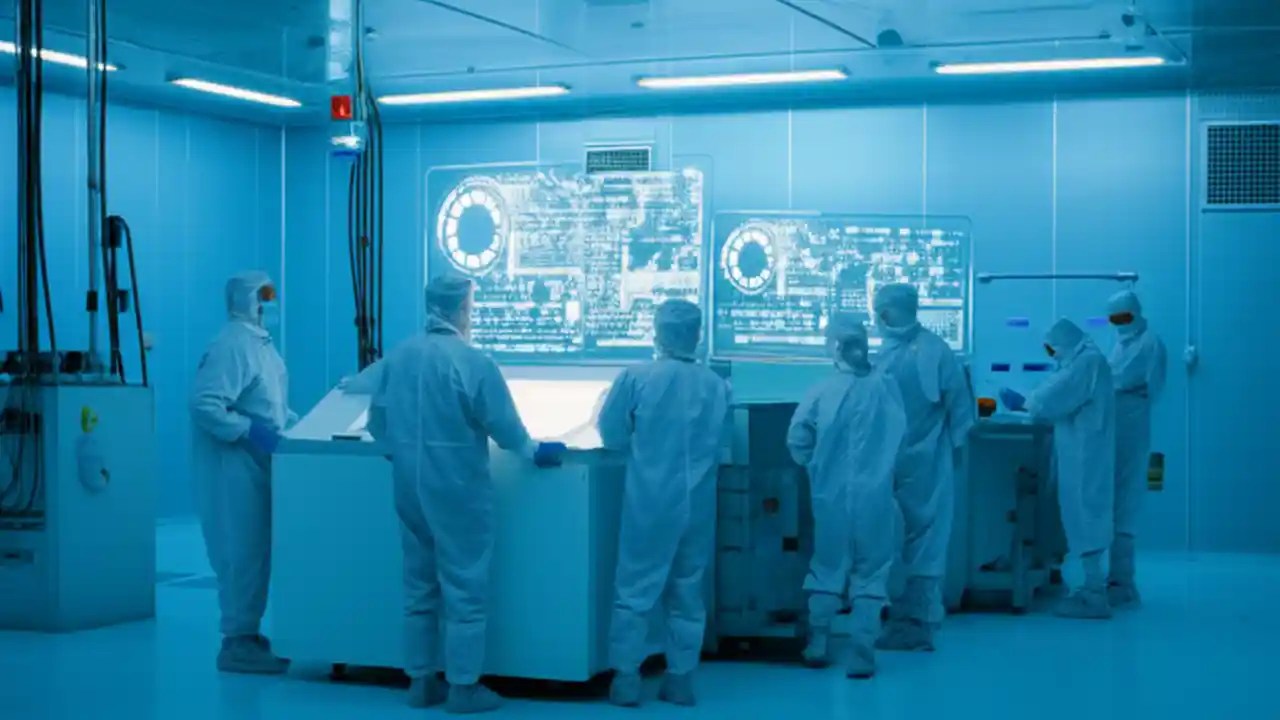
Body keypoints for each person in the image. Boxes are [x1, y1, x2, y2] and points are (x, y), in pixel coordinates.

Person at [369, 276, 565, 714]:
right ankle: (463, 686)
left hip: (409, 487)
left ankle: (421, 682)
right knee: (464, 584)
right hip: (456, 489)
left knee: (418, 583)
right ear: (461, 308)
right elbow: (507, 428)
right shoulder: (471, 361)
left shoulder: (398, 357)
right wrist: (536, 452)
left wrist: (400, 456)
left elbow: (377, 423)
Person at [598, 299, 730, 708]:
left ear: (656, 333)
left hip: (650, 500)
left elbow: (612, 434)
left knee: (635, 587)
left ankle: (625, 679)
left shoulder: (637, 378)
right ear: (698, 334)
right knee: (688, 589)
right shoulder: (716, 385)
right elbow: (721, 445)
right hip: (697, 503)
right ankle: (680, 679)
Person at [787, 315, 906, 679]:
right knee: (871, 571)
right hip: (875, 495)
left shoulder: (821, 392)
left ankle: (818, 643)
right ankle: (862, 652)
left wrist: (817, 467)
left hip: (831, 496)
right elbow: (901, 438)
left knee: (827, 566)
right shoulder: (887, 388)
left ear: (835, 346)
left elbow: (798, 440)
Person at [190, 271, 294, 674]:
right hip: (231, 467)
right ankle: (236, 642)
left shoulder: (260, 345)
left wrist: (293, 426)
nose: (272, 302)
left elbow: (267, 404)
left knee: (254, 550)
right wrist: (248, 430)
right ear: (249, 300)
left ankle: (247, 633)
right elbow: (204, 404)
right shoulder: (233, 344)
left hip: (254, 465)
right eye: (264, 295)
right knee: (239, 551)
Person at [872, 284, 975, 651]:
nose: (878, 319)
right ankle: (906, 615)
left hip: (927, 459)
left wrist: (956, 453)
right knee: (895, 537)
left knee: (926, 538)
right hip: (893, 461)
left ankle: (917, 621)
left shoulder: (935, 351)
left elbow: (961, 410)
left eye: (880, 312)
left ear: (886, 313)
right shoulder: (885, 355)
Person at [1000, 318, 1116, 619]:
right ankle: (1090, 588)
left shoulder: (1086, 362)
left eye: (1052, 347)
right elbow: (1056, 389)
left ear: (1062, 343)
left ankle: (1093, 594)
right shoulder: (1082, 360)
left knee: (1084, 512)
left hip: (1084, 452)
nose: (1050, 353)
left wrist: (1025, 402)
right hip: (1083, 449)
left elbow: (1053, 398)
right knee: (1082, 512)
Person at [1106, 290, 1167, 608]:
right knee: (1114, 496)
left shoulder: (1151, 343)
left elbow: (1151, 387)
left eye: (1123, 318)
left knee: (1127, 498)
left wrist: (1129, 403)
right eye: (1113, 319)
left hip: (1132, 422)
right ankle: (1116, 578)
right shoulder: (1121, 342)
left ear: (1135, 313)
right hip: (1117, 423)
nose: (1118, 324)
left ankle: (1123, 582)